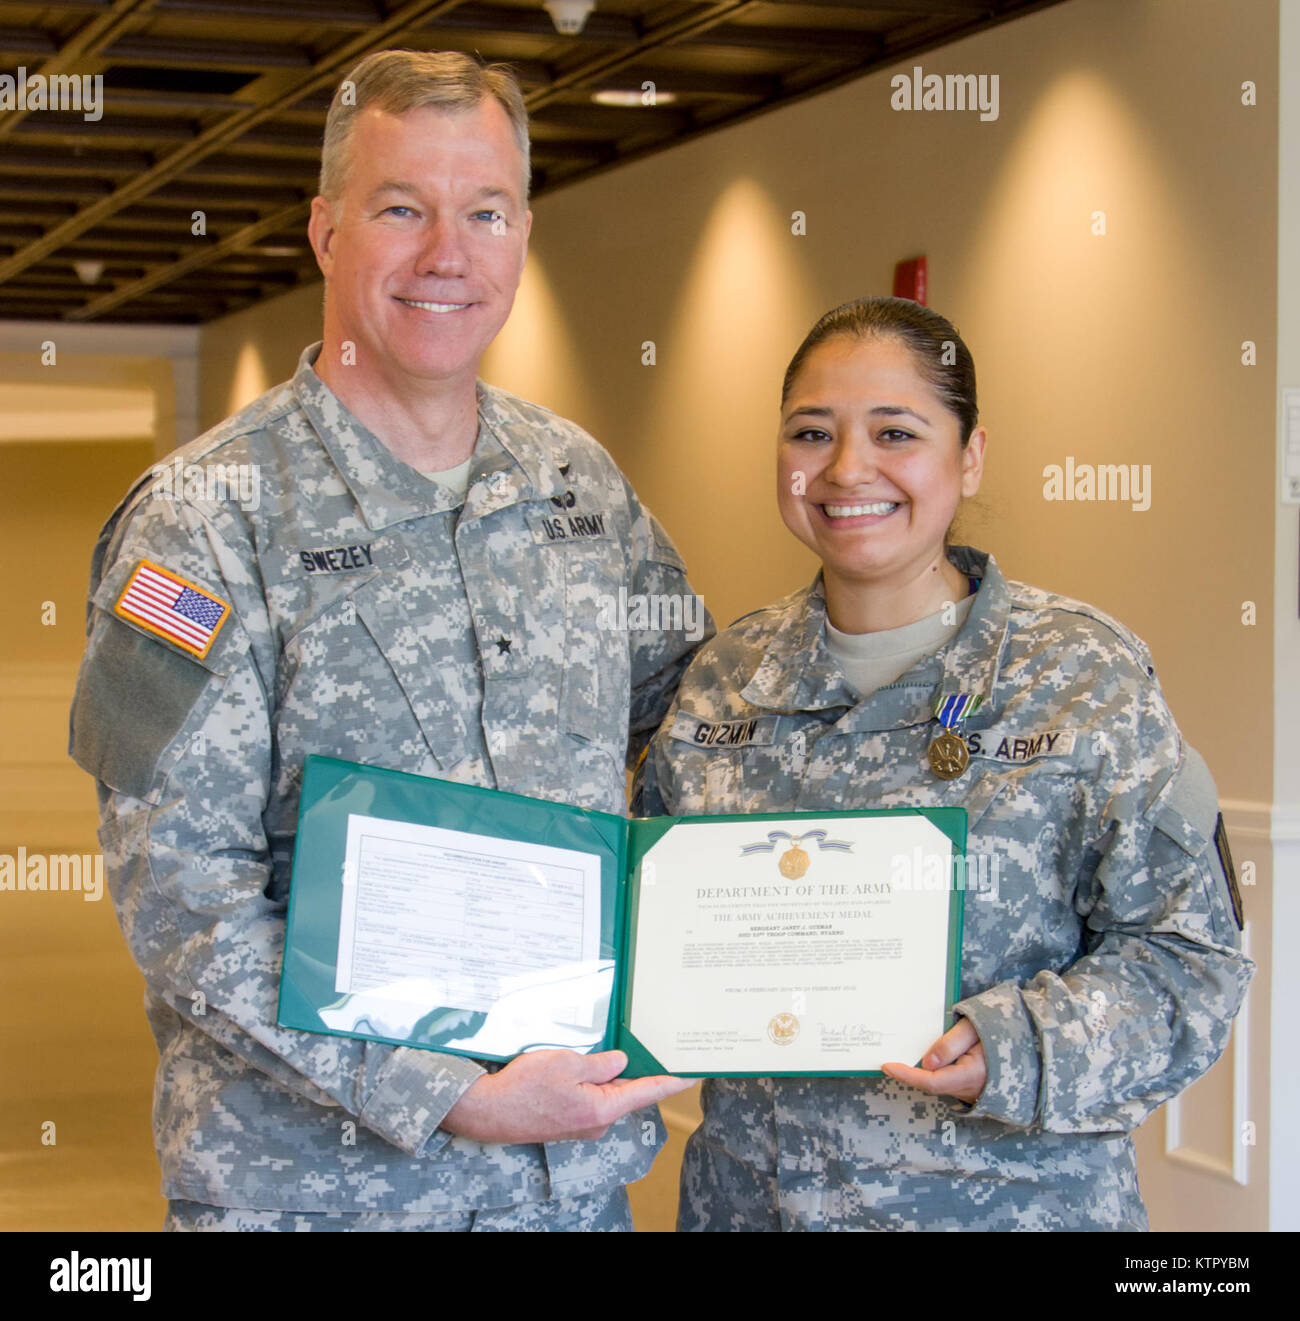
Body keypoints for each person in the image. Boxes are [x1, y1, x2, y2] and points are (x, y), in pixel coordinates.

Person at [68, 49, 710, 1232]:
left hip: (563, 1195)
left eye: (484, 211)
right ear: (324, 230)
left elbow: (695, 740)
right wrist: (445, 1091)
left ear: (521, 233)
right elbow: (184, 891)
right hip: (318, 1197)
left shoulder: (580, 487)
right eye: (401, 208)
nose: (445, 255)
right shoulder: (201, 522)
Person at [637, 296, 1253, 1232]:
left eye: (896, 431)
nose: (847, 468)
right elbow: (640, 924)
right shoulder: (724, 681)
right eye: (812, 431)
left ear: (968, 456)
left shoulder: (1081, 675)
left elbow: (1192, 960)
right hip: (747, 1204)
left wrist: (1018, 1043)